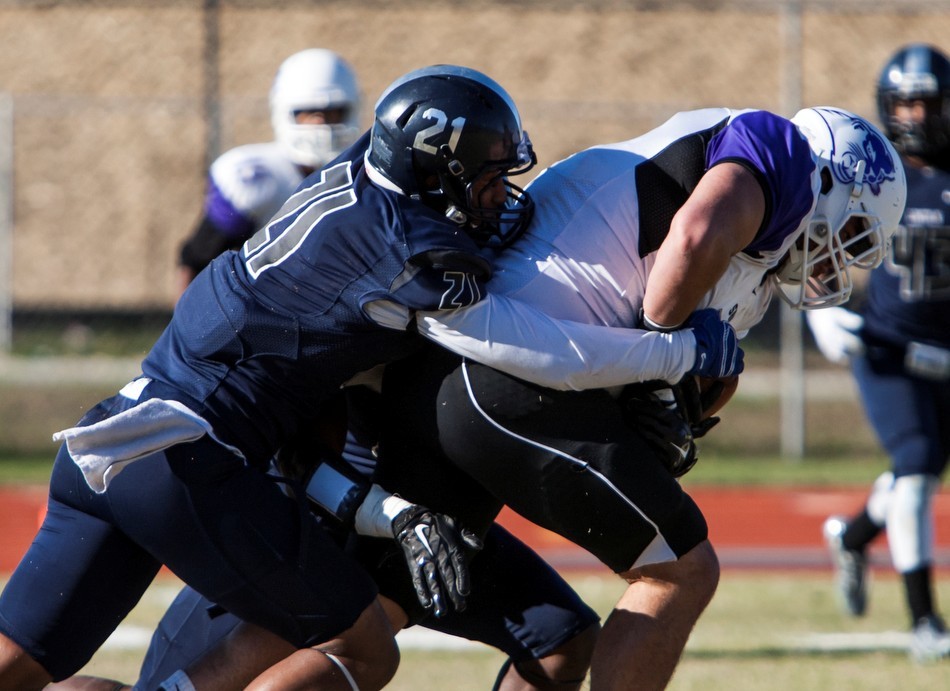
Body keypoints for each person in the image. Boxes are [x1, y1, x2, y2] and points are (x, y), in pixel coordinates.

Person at [0, 64, 741, 691]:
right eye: (489, 179)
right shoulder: (411, 250)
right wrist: (673, 354)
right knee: (363, 649)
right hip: (191, 457)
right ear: (438, 173)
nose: (501, 196)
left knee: (17, 662)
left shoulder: (359, 176)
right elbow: (537, 348)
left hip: (111, 437)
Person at [375, 104, 907, 690]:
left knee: (374, 637)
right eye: (850, 232)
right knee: (680, 571)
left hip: (455, 377)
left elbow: (693, 368)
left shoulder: (751, 269)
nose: (840, 257)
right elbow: (694, 237)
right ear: (830, 179)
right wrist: (655, 374)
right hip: (506, 373)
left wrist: (666, 409)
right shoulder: (782, 151)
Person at [810, 43, 950, 663]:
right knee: (917, 464)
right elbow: (810, 235)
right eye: (906, 103)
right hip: (887, 348)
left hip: (943, 353)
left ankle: (853, 535)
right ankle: (925, 622)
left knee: (923, 466)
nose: (915, 116)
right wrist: (820, 309)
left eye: (928, 102)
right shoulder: (875, 170)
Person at [176, 48, 361, 293]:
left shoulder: (365, 173)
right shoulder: (252, 178)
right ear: (285, 111)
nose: (322, 125)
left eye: (332, 113)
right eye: (309, 114)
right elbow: (199, 261)